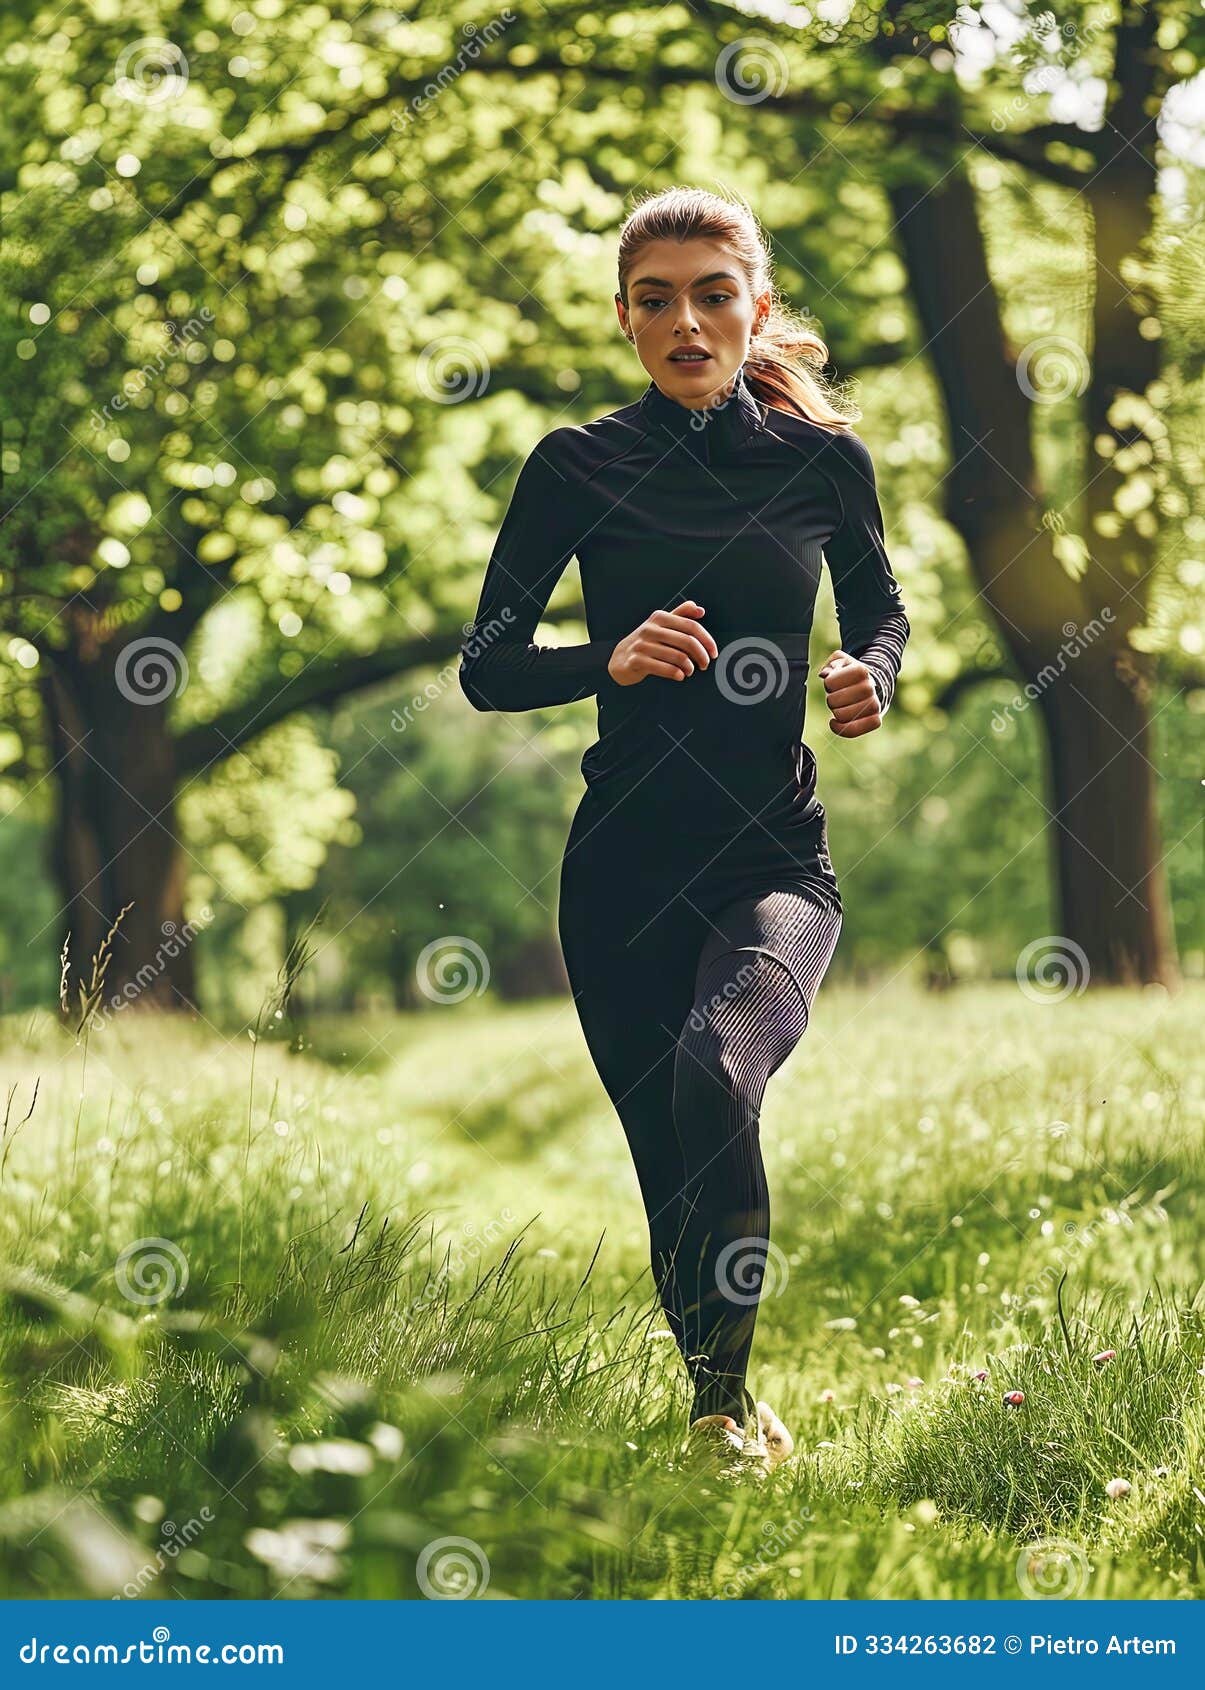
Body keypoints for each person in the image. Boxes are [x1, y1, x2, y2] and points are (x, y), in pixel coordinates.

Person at [458, 186, 909, 1479]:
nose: (686, 319)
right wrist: (612, 658)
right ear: (624, 320)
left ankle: (718, 1416)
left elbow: (882, 611)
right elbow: (486, 666)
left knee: (718, 1074)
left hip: (774, 855)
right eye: (654, 298)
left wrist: (871, 676)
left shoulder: (823, 464)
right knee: (670, 1159)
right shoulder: (573, 464)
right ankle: (724, 1401)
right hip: (619, 873)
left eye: (713, 292)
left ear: (753, 307)